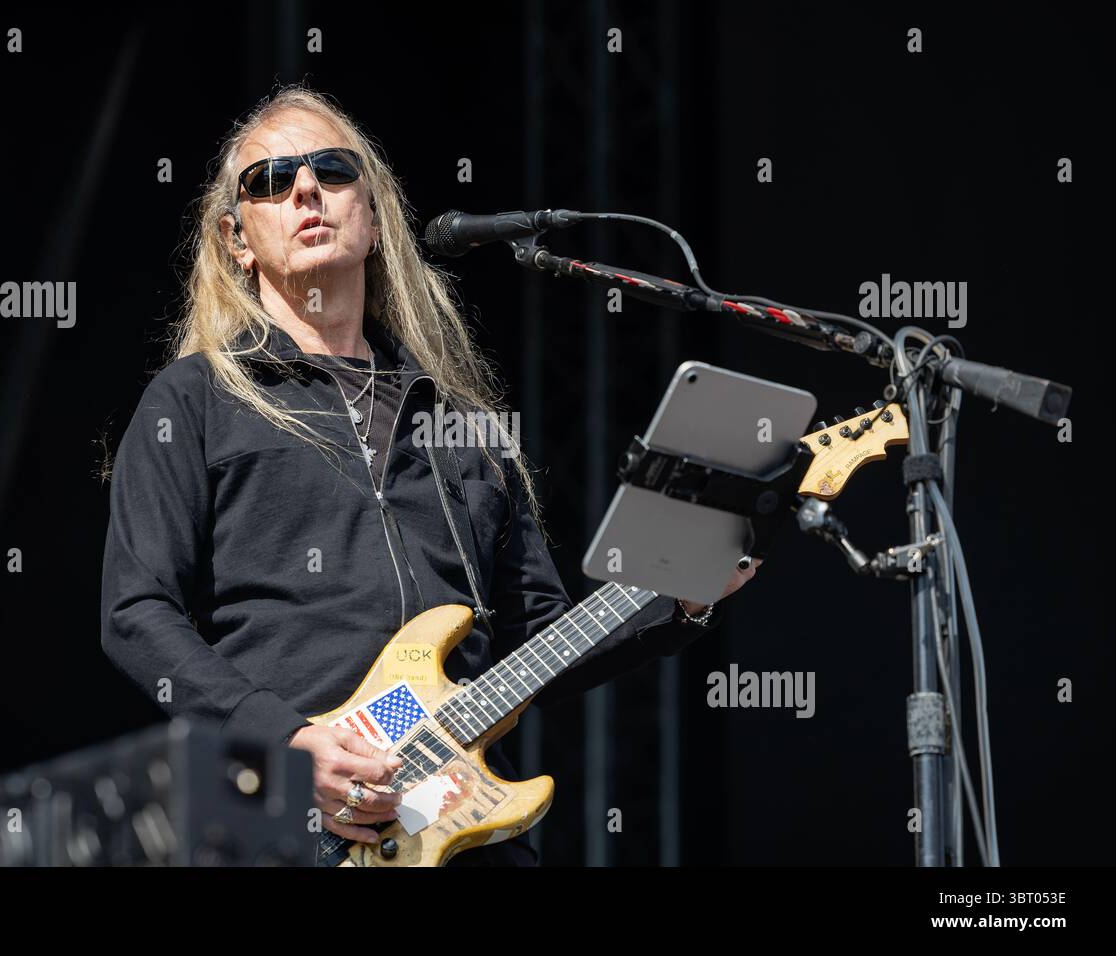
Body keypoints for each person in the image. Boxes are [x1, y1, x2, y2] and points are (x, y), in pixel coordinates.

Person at [100, 84, 760, 866]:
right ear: (238, 239)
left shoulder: (464, 425)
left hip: (464, 829)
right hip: (285, 828)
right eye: (271, 181)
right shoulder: (194, 399)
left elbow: (539, 637)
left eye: (332, 170)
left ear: (374, 219)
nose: (305, 189)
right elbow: (137, 612)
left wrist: (678, 601)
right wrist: (286, 741)